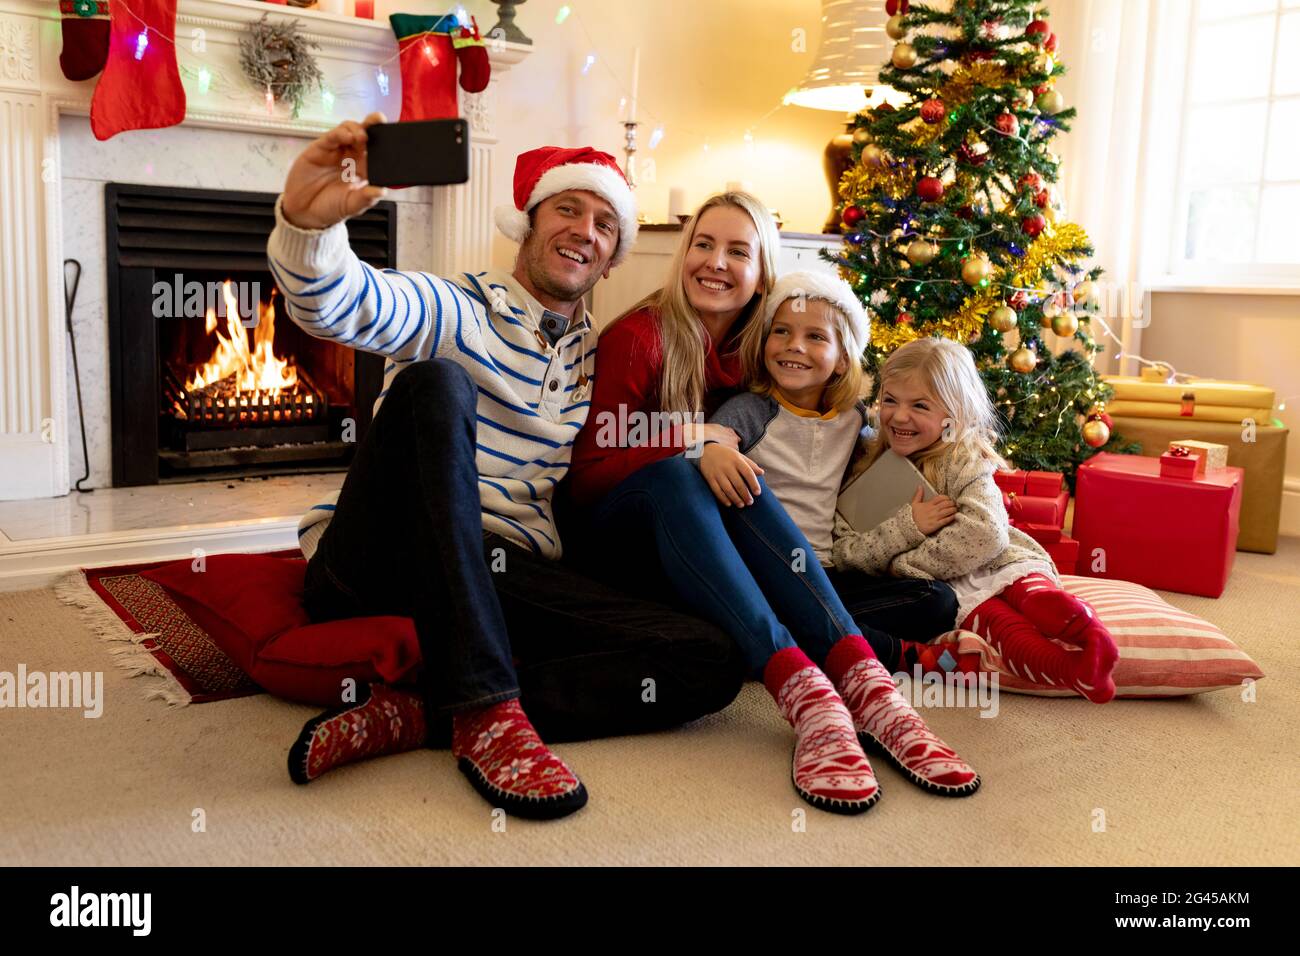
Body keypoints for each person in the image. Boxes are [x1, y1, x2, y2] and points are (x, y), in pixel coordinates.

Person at [267, 113, 748, 820]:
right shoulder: (456, 306)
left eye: (605, 224)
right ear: (527, 223)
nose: (586, 230)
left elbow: (621, 436)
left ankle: (424, 715)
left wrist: (702, 433)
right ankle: (487, 712)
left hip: (502, 573)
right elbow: (343, 303)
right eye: (567, 209)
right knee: (437, 383)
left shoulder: (599, 355)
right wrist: (310, 228)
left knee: (708, 657)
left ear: (614, 258)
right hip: (378, 558)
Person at [566, 197, 978, 814]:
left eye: (739, 251)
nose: (716, 263)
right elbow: (589, 472)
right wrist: (690, 441)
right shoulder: (639, 335)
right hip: (622, 536)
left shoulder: (754, 349)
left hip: (714, 551)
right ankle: (809, 695)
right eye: (704, 244)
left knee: (926, 599)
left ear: (763, 273)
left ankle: (868, 691)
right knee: (688, 476)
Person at [698, 271, 982, 677]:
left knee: (937, 600)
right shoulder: (749, 410)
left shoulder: (853, 421)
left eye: (816, 337)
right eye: (781, 332)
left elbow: (899, 444)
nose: (795, 346)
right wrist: (711, 449)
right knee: (776, 607)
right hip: (763, 568)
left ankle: (802, 634)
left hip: (829, 571)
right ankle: (892, 654)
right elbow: (705, 442)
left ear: (843, 358)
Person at [831, 336, 1121, 703]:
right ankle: (1071, 671)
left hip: (1004, 562)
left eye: (919, 405)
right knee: (999, 627)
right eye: (889, 400)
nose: (899, 416)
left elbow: (987, 535)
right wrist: (909, 528)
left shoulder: (962, 458)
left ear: (956, 414)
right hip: (957, 589)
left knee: (1033, 596)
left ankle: (1092, 636)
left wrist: (904, 565)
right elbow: (845, 554)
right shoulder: (864, 465)